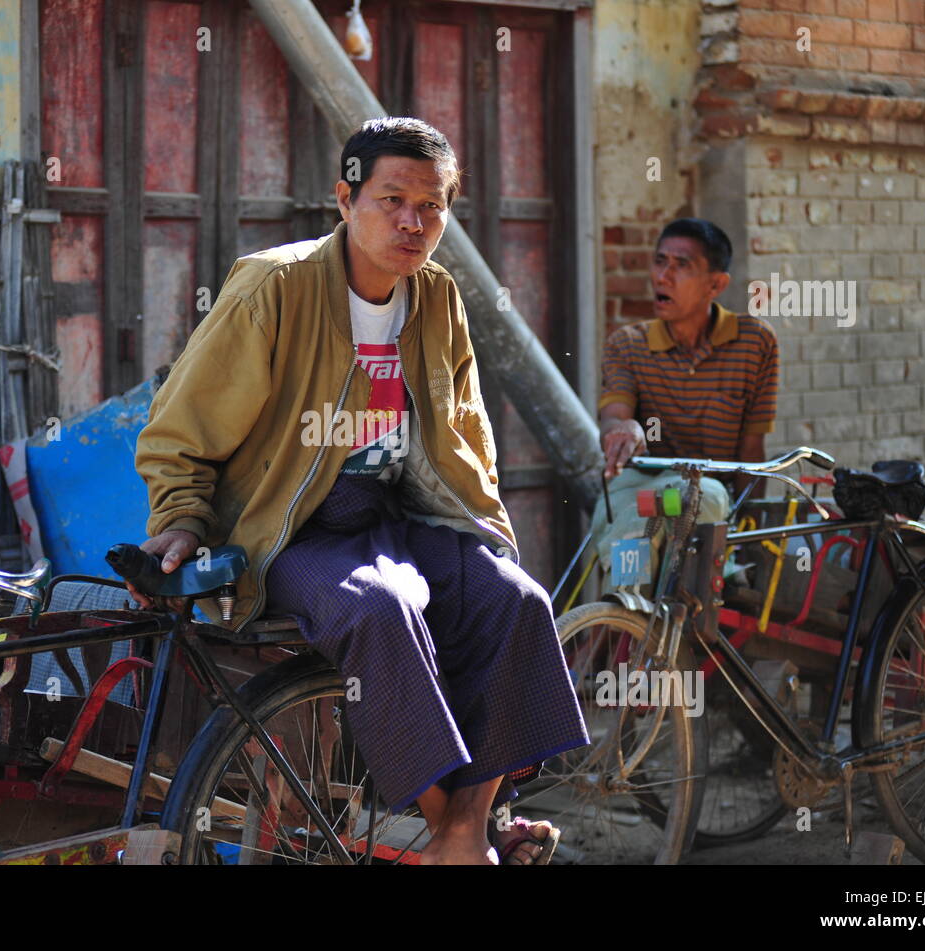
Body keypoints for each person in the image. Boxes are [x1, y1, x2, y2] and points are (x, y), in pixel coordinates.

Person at [131, 117, 588, 865]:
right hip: (288, 529)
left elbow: (466, 436)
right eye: (391, 199)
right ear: (344, 200)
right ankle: (450, 830)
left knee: (519, 600)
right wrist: (182, 518)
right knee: (381, 607)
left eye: (433, 206)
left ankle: (467, 828)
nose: (414, 221)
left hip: (393, 519)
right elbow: (180, 427)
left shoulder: (436, 298)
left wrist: (485, 531)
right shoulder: (275, 287)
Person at [591, 218, 780, 575]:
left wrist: (754, 535)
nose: (663, 276)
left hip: (707, 496)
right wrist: (626, 429)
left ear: (716, 284)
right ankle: (625, 619)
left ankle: (644, 616)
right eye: (660, 261)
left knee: (688, 502)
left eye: (682, 266)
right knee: (625, 522)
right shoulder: (627, 344)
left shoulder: (755, 343)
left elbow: (752, 450)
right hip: (641, 486)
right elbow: (615, 416)